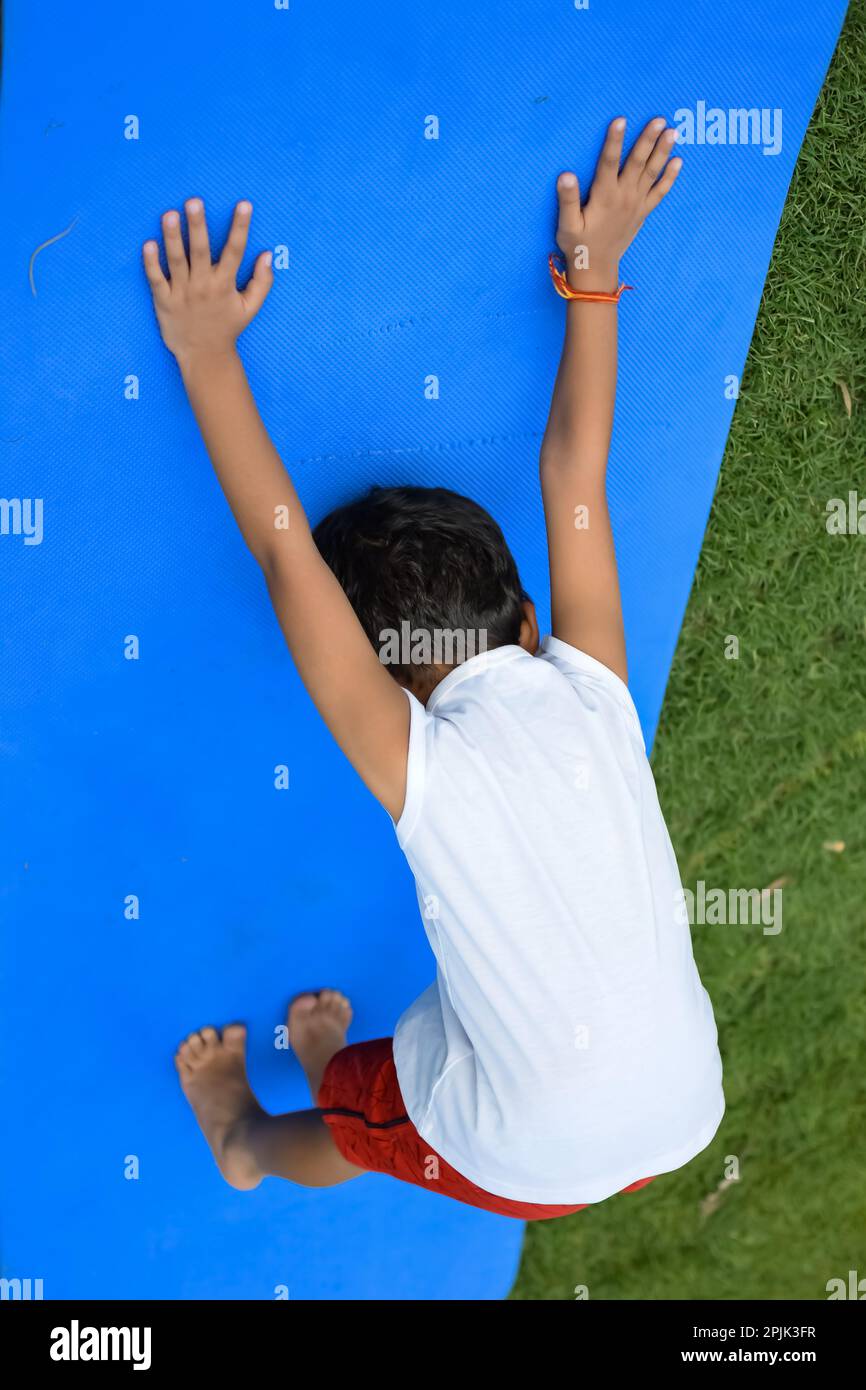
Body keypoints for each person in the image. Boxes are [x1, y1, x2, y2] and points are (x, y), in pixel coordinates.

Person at [143, 116, 723, 1220]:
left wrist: (205, 354)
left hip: (534, 1156)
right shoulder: (588, 681)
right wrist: (592, 276)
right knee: (417, 1061)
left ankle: (245, 1135)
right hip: (680, 1111)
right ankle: (323, 1085)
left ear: (383, 675)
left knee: (357, 1127)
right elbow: (573, 468)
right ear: (530, 620)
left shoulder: (423, 765)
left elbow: (282, 550)